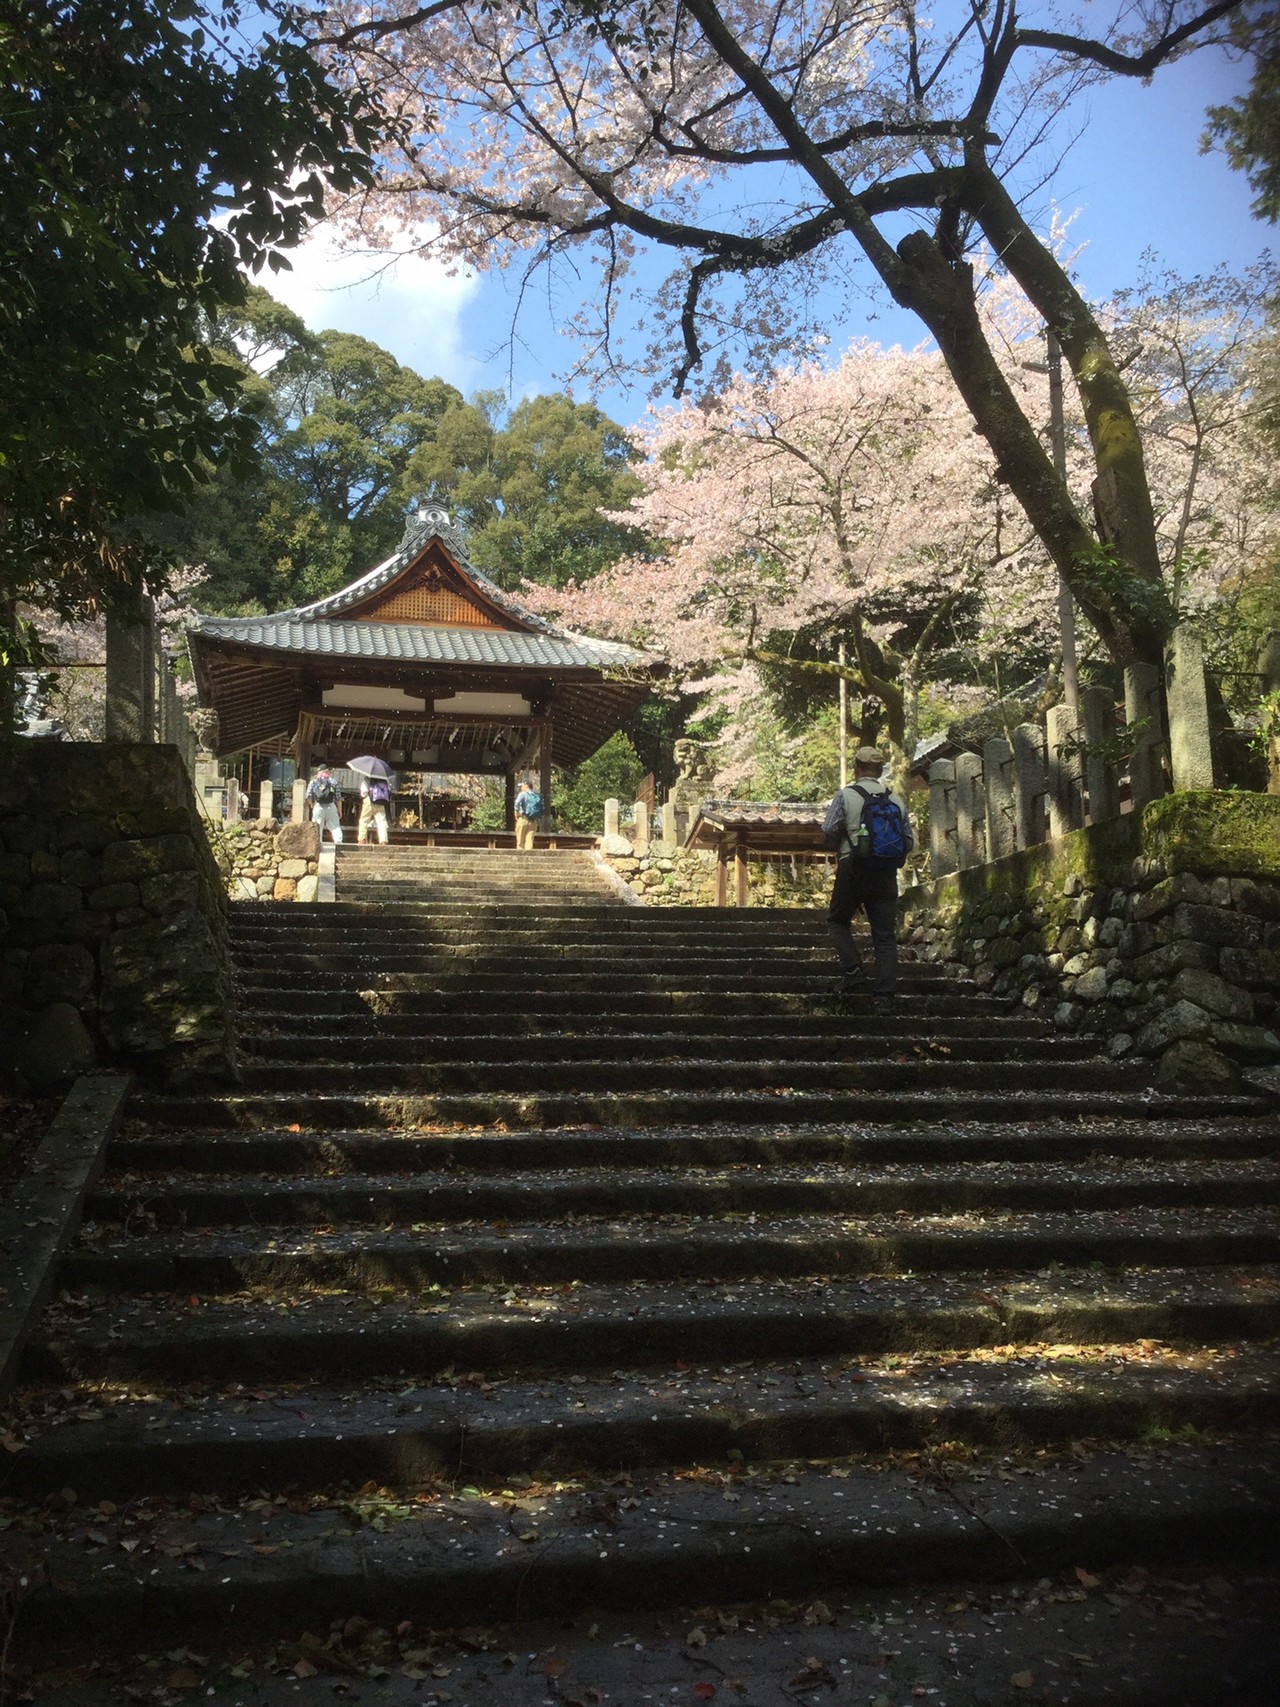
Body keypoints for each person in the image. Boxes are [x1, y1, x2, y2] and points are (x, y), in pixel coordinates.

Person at [822, 746, 913, 1003]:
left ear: (857, 769)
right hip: (885, 872)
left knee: (837, 921)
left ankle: (853, 971)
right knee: (884, 935)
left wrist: (846, 843)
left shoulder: (846, 795)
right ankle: (884, 997)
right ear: (880, 771)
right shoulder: (896, 800)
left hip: (853, 868)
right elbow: (908, 841)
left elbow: (828, 830)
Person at [305, 765, 343, 844]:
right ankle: (339, 843)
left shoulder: (314, 781)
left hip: (318, 806)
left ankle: (317, 845)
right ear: (327, 771)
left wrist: (312, 804)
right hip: (331, 806)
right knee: (335, 826)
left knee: (317, 827)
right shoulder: (333, 781)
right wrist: (339, 810)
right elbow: (338, 798)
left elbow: (308, 795)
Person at [358, 774, 391, 845]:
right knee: (382, 821)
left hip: (369, 801)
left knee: (364, 820)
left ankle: (362, 839)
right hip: (380, 802)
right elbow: (388, 791)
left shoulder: (367, 779)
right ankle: (383, 840)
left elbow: (363, 792)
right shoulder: (384, 780)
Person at [514, 779, 542, 851]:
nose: (521, 787)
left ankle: (520, 855)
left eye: (522, 786)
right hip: (533, 821)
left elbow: (517, 803)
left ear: (526, 786)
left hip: (523, 819)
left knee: (520, 841)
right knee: (529, 841)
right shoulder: (536, 796)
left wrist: (516, 812)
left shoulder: (523, 794)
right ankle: (529, 854)